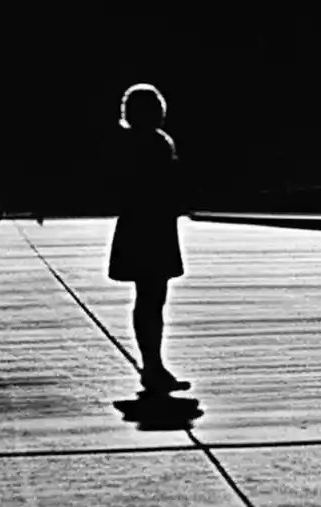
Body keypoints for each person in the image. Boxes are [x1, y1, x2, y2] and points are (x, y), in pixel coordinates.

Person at [107, 82, 189, 393]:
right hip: (156, 226)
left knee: (146, 298)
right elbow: (170, 186)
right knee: (153, 298)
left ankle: (152, 364)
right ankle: (153, 365)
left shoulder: (124, 144)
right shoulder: (157, 143)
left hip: (135, 224)